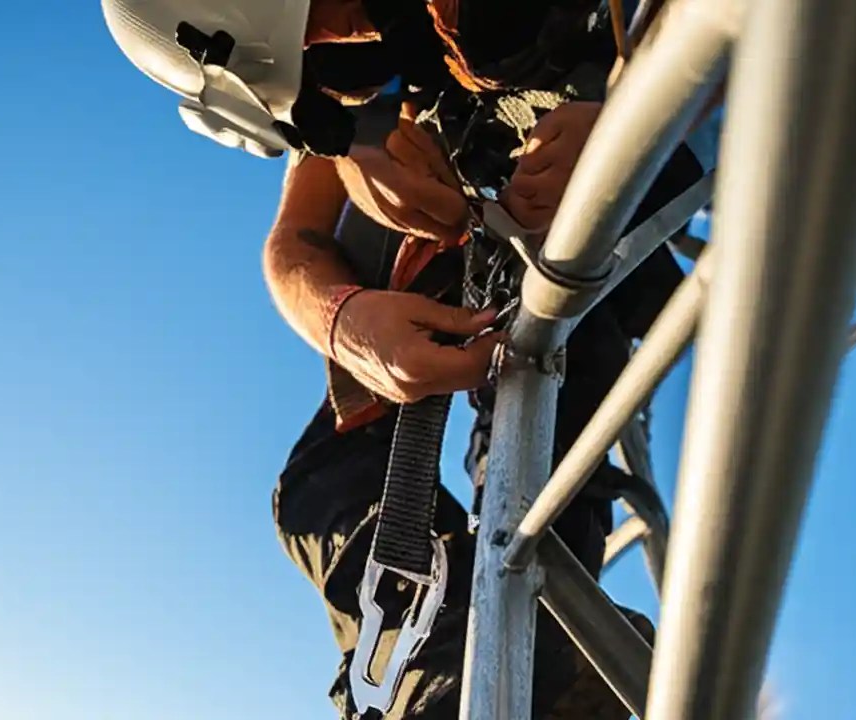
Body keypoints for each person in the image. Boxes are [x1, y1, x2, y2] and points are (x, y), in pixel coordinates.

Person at [101, 1, 711, 717]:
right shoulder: (358, 82)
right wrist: (348, 321)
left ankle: (548, 645)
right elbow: (293, 241)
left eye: (321, 21)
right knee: (318, 491)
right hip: (472, 273)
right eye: (311, 47)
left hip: (589, 268)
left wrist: (641, 116)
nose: (332, 41)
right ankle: (436, 660)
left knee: (544, 437)